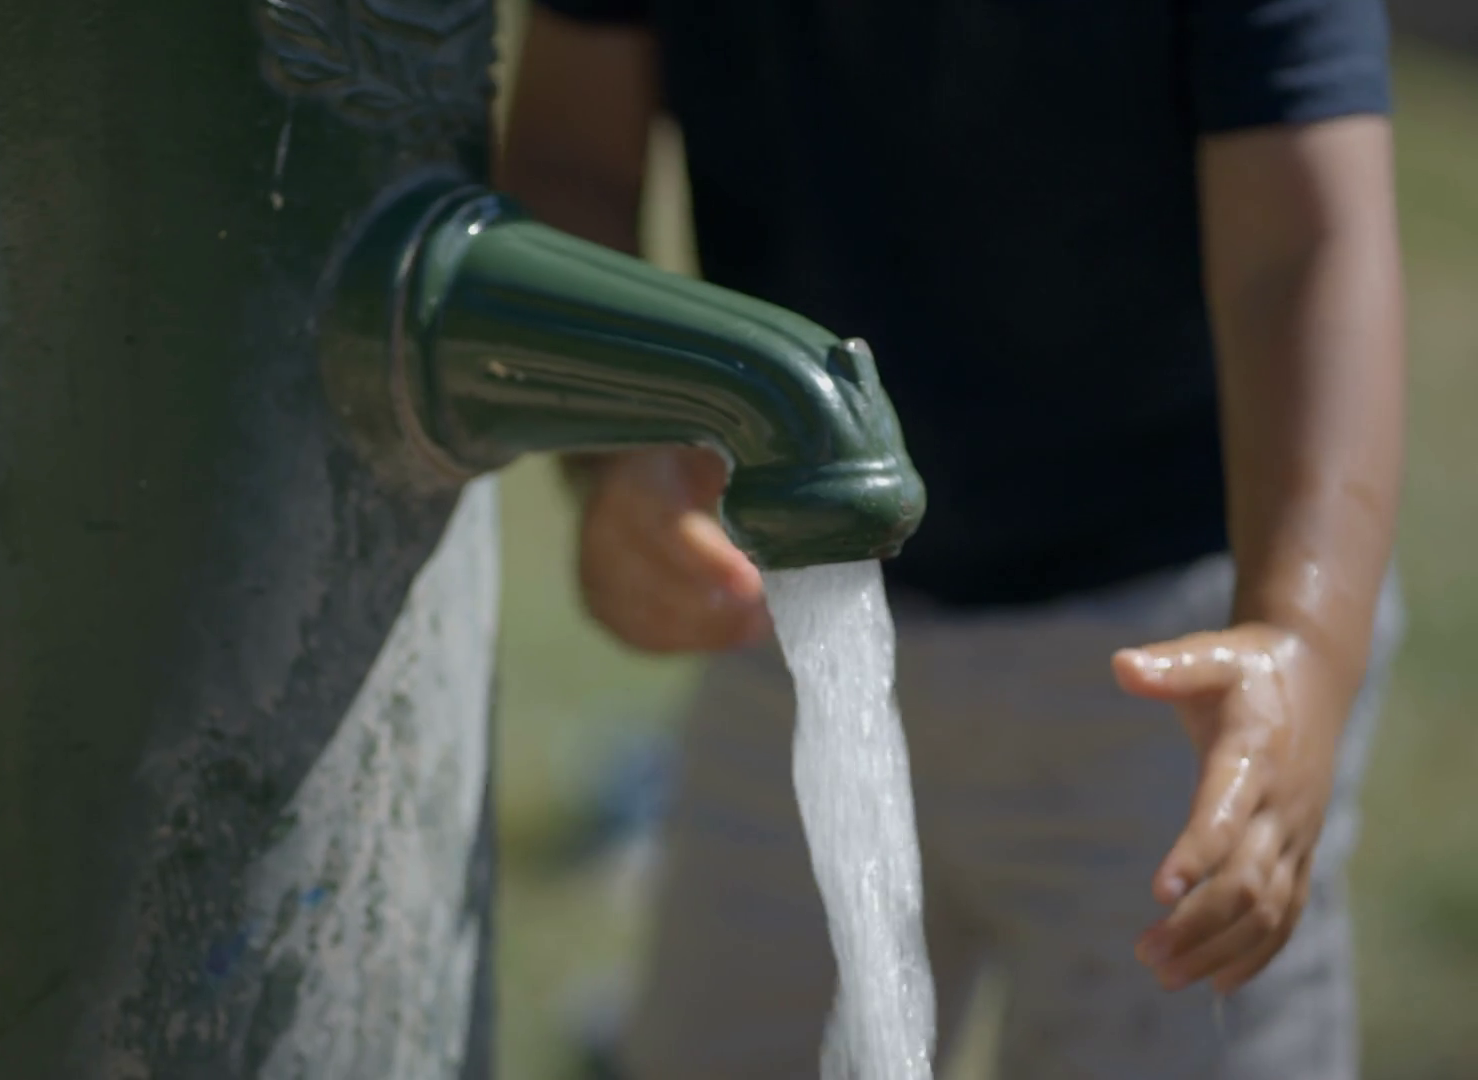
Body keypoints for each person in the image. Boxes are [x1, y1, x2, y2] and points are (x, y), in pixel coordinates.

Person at [500, 0, 1408, 1076]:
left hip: (1174, 666)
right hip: (791, 627)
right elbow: (568, 159)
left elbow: (1299, 255)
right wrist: (618, 448)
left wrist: (1305, 633)